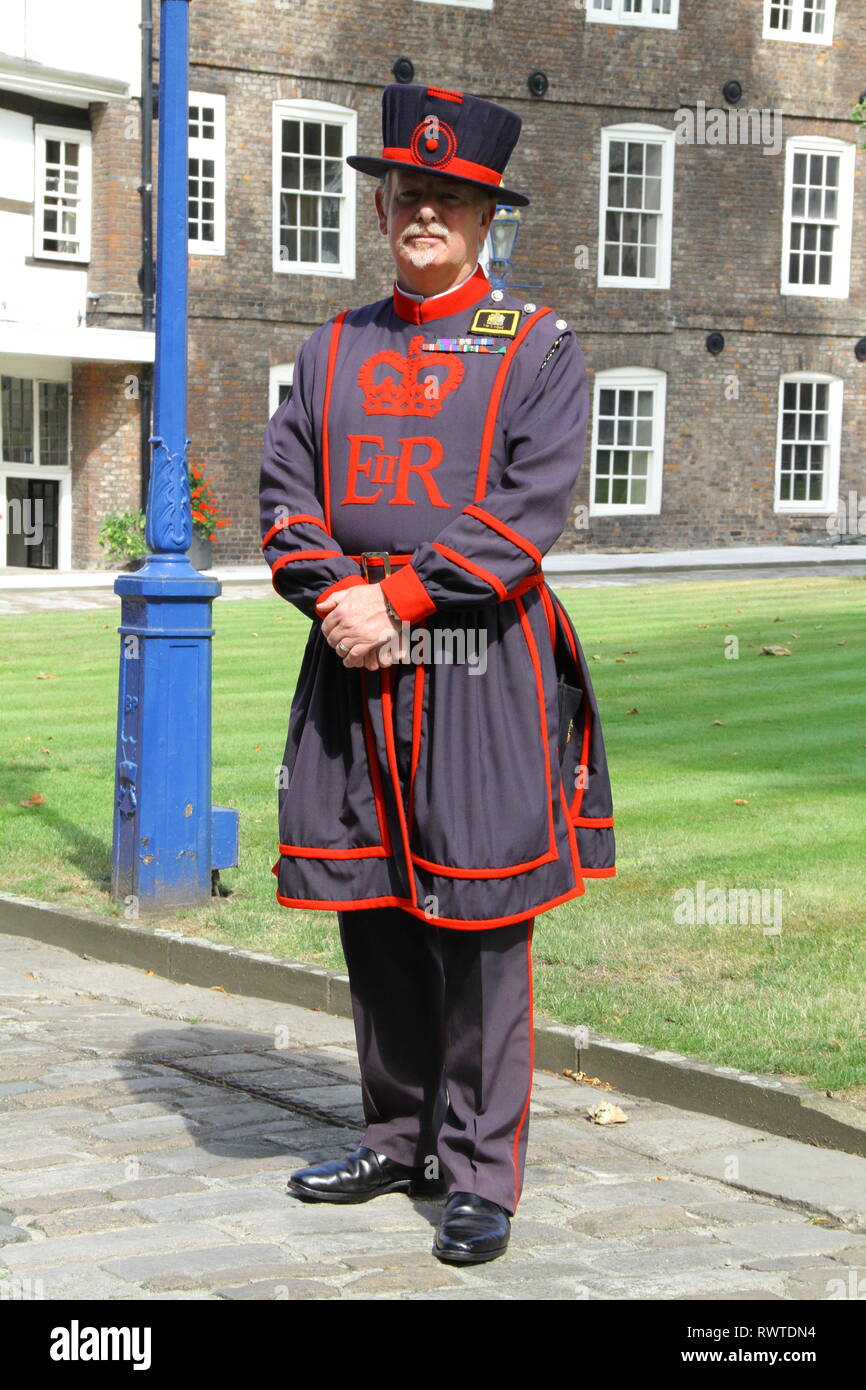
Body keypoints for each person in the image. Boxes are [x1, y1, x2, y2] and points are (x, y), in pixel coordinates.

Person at [259, 82, 615, 1265]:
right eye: (407, 193)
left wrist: (397, 601)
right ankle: (396, 1130)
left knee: (479, 919)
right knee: (372, 908)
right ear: (384, 210)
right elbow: (286, 499)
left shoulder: (540, 345)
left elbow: (524, 515)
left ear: (481, 219)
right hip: (353, 658)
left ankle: (476, 1170)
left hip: (474, 658)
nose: (423, 212)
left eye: (446, 198)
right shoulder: (330, 344)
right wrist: (337, 601)